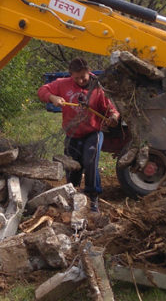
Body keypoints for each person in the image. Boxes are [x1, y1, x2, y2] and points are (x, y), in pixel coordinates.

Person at [37, 57, 120, 212]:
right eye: (77, 78)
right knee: (72, 166)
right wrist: (53, 97)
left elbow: (111, 110)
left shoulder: (97, 88)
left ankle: (92, 196)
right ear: (71, 75)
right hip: (72, 134)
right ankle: (73, 194)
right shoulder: (62, 84)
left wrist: (114, 118)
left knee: (90, 160)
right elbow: (42, 90)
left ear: (89, 72)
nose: (81, 80)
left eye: (83, 76)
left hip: (93, 132)